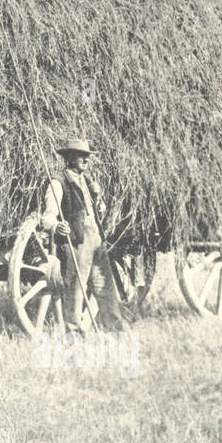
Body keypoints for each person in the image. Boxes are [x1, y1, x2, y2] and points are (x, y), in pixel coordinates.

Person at [39, 138, 128, 333]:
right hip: (77, 243)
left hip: (96, 240)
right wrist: (57, 226)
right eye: (81, 156)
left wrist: (98, 199)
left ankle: (116, 332)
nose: (86, 161)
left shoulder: (88, 181)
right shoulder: (58, 182)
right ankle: (73, 333)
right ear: (69, 158)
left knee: (106, 290)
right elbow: (47, 217)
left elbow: (98, 210)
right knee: (75, 292)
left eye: (88, 157)